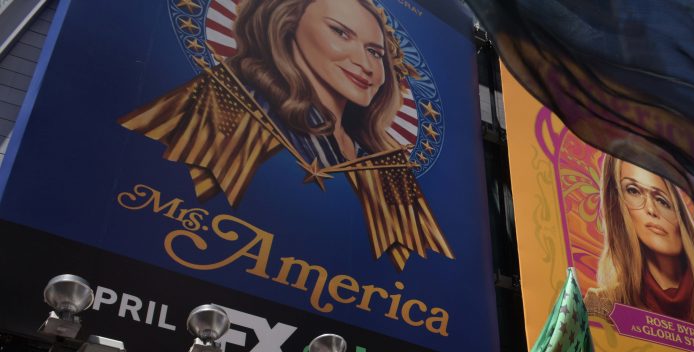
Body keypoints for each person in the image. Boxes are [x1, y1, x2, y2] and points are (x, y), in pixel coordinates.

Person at [120, 0, 449, 270]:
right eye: (340, 33)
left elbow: (419, 265)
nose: (365, 63)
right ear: (286, 24)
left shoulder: (385, 159)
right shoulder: (232, 101)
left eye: (376, 52)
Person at [583, 155, 694, 352]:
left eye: (662, 200)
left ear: (682, 220)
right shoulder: (603, 306)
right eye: (633, 191)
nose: (651, 210)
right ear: (619, 206)